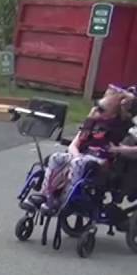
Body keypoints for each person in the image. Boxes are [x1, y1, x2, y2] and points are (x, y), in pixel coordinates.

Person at [37, 84, 137, 212]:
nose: (98, 111)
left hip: (103, 161)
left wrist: (118, 150)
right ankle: (45, 195)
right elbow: (76, 143)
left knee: (78, 163)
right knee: (57, 158)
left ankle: (63, 200)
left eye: (102, 109)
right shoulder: (92, 122)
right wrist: (76, 153)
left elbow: (127, 111)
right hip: (83, 155)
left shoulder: (123, 125)